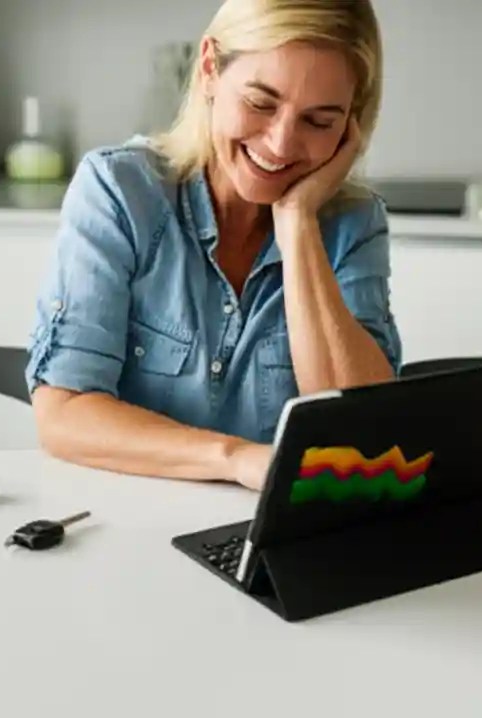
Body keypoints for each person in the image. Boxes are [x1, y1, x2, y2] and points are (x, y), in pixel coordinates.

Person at [24, 0, 401, 491]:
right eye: (261, 103)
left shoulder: (354, 224)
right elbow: (64, 414)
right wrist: (235, 458)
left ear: (352, 123)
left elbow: (365, 435)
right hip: (124, 526)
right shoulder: (119, 191)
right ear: (209, 69)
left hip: (272, 548)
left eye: (319, 122)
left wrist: (298, 224)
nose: (282, 144)